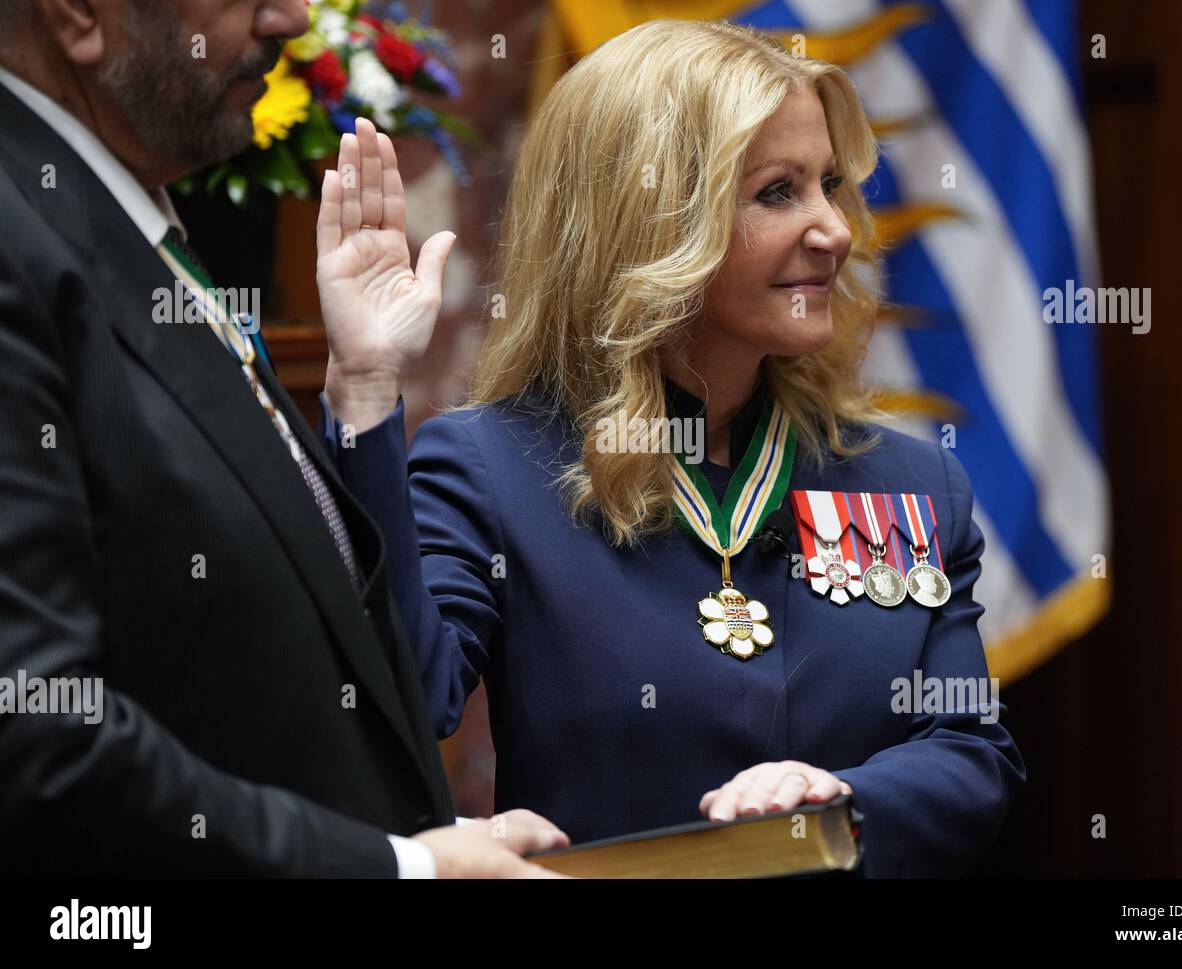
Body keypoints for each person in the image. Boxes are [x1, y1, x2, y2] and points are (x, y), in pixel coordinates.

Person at [321, 19, 1025, 876]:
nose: (835, 230)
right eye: (778, 192)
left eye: (831, 186)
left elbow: (971, 749)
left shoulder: (912, 482)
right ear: (651, 220)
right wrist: (363, 388)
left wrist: (842, 803)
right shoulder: (492, 467)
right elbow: (404, 695)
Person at [0, 0, 566, 876]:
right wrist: (402, 868)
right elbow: (36, 734)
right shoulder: (20, 243)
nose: (293, 15)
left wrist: (368, 383)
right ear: (78, 14)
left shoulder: (117, 226)